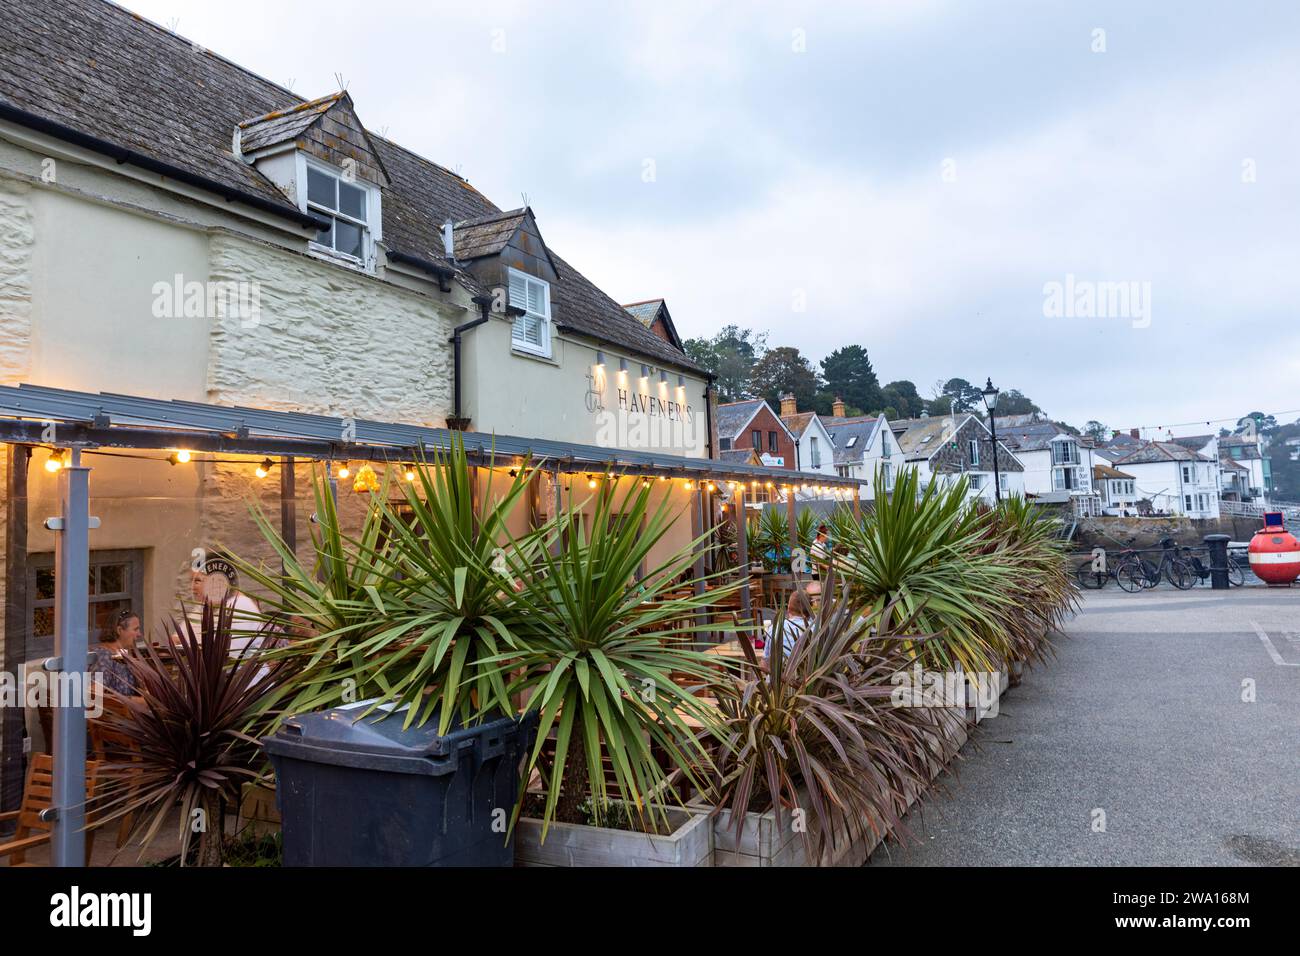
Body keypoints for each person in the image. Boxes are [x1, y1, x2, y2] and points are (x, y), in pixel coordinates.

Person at [763, 582, 821, 670]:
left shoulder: (775, 629)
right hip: (808, 677)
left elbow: (765, 664)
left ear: (789, 608)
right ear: (810, 608)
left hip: (779, 677)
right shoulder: (817, 630)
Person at [90, 608, 140, 696]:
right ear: (119, 630)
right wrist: (133, 701)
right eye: (135, 629)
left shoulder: (125, 653)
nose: (139, 634)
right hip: (117, 705)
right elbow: (94, 693)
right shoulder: (104, 657)